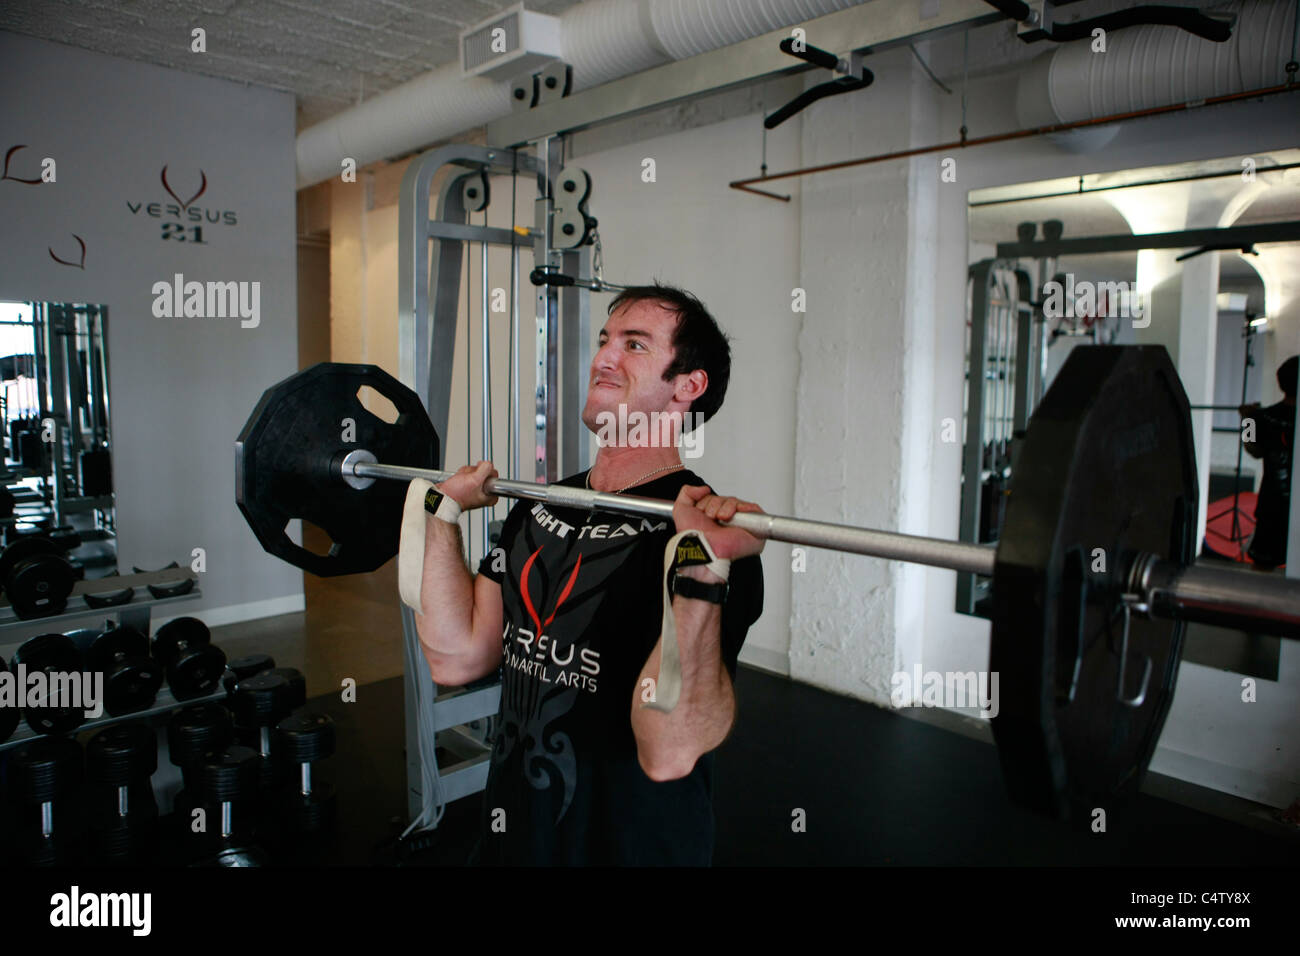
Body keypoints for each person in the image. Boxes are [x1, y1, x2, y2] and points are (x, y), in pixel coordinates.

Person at [403, 282, 765, 865]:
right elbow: (457, 656)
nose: (604, 356)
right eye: (605, 340)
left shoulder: (706, 537)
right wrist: (438, 513)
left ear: (687, 387)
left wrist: (700, 568)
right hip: (514, 837)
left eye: (635, 344)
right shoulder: (538, 505)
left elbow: (669, 750)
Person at [1240, 354, 1297, 571]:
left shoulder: (1261, 417)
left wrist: (1246, 419)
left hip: (1273, 500)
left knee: (1263, 564)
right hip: (1277, 502)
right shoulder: (1262, 417)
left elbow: (1252, 449)